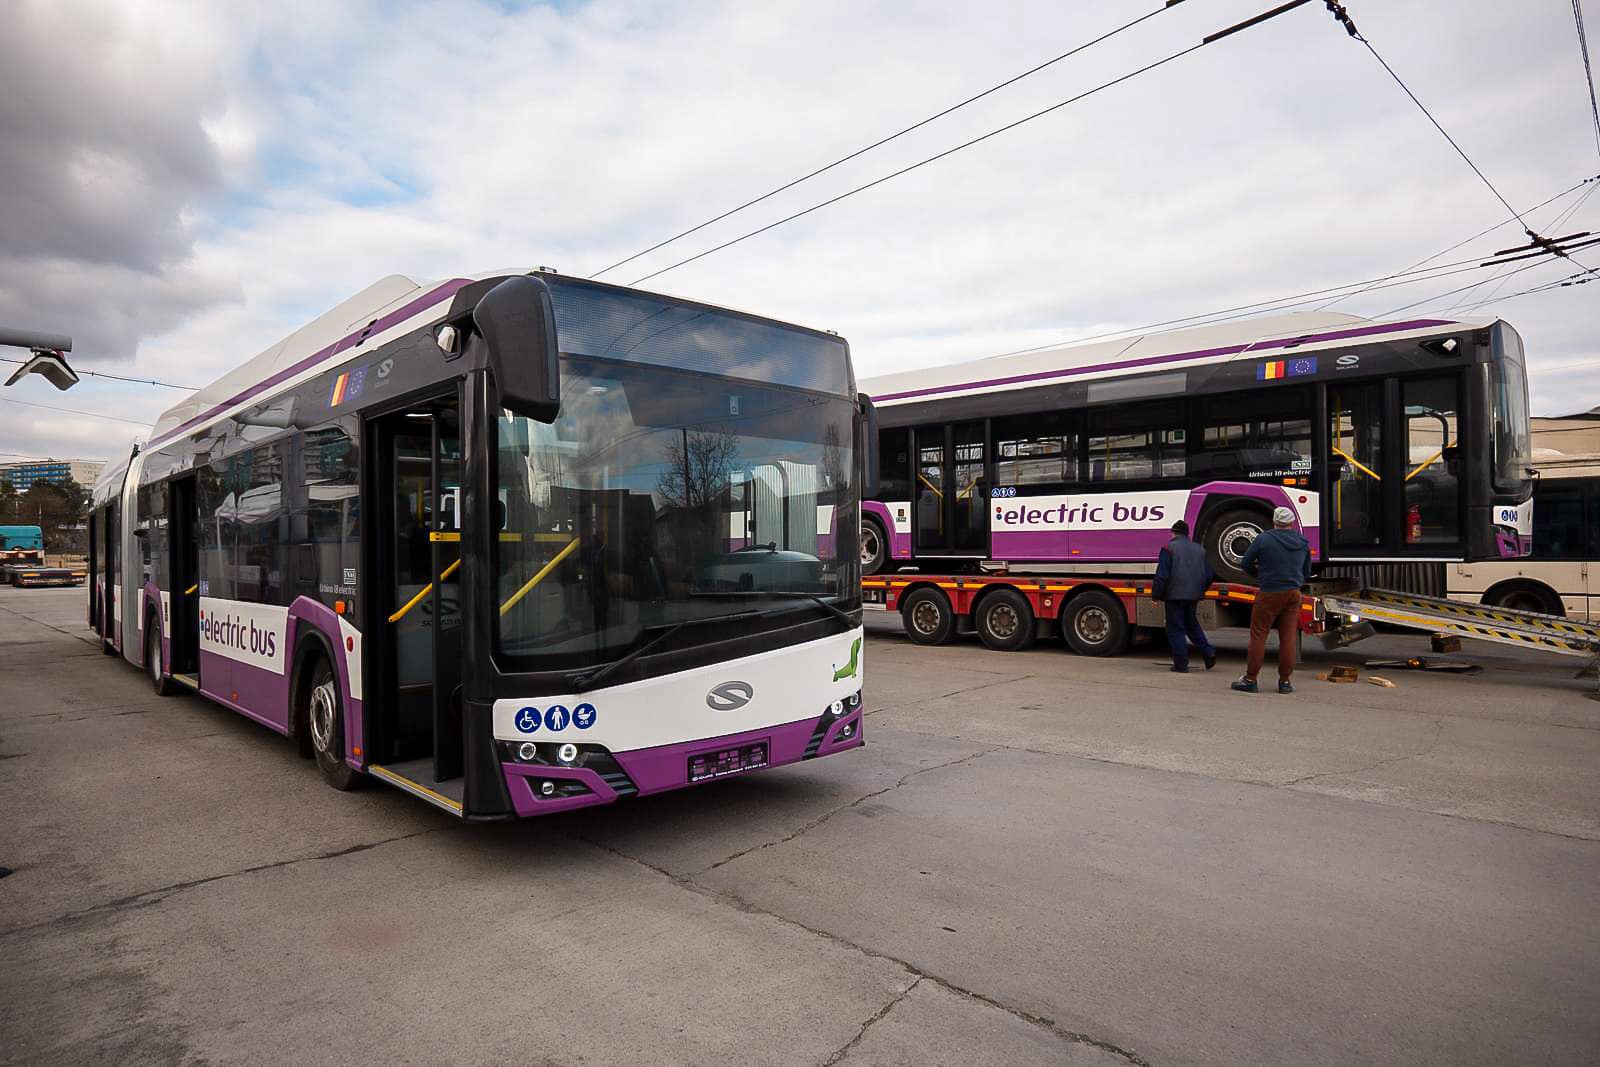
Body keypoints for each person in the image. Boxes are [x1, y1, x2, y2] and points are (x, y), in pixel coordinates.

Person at [1232, 506, 1312, 694]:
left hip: (1269, 591)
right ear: (1291, 522)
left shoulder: (1264, 539)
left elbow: (1245, 563)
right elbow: (1307, 571)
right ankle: (1285, 681)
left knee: (1259, 634)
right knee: (1288, 637)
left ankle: (1250, 679)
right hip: (1293, 592)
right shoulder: (1302, 542)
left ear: (1274, 521)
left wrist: (1259, 576)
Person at [1154, 519, 1216, 672]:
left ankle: (1181, 664)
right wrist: (1200, 589)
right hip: (1194, 595)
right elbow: (1209, 575)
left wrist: (1156, 595)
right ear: (1187, 533)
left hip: (1174, 596)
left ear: (1173, 532)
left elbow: (1162, 576)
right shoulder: (1200, 549)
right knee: (1192, 625)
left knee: (1176, 629)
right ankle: (1209, 653)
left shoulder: (1168, 548)